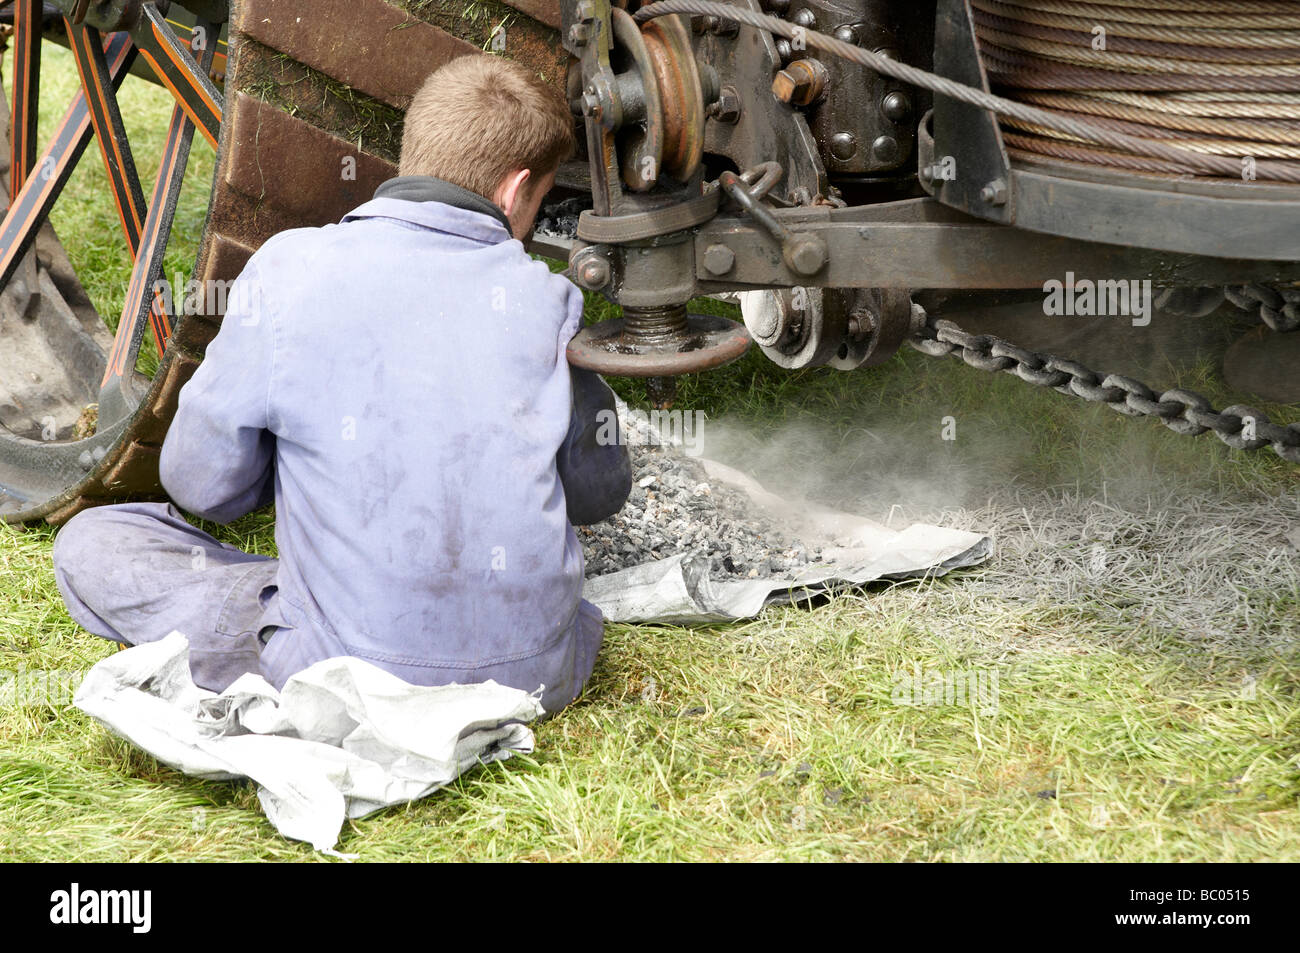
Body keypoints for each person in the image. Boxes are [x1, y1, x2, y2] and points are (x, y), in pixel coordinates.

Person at [52, 54, 632, 716]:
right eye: (541, 198)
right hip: (540, 678)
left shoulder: (288, 269)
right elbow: (597, 494)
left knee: (93, 542)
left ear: (415, 152)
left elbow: (204, 488)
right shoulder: (550, 301)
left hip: (343, 675)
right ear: (513, 190)